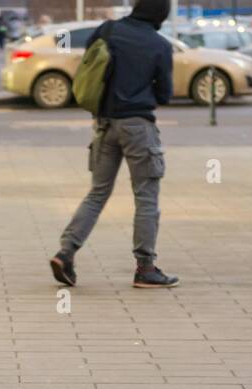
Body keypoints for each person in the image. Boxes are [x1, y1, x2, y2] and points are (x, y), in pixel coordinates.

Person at [50, 0, 178, 289]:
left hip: (104, 125)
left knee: (97, 193)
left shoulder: (108, 30)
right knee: (146, 197)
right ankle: (145, 268)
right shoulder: (158, 44)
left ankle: (66, 252)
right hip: (138, 128)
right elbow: (166, 94)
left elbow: (93, 68)